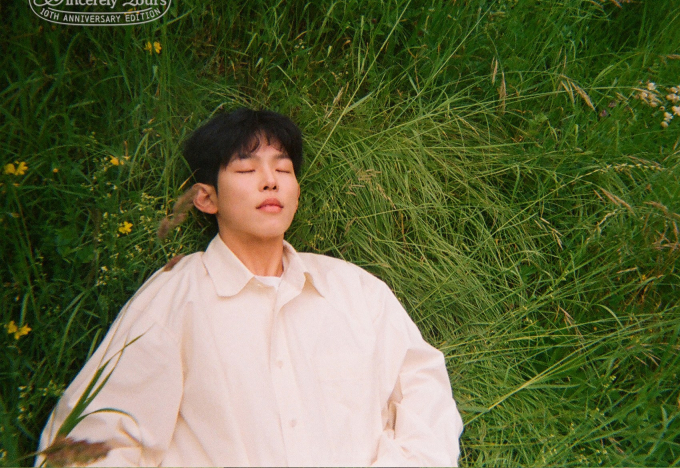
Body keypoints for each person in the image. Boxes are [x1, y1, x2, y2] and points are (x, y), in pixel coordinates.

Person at [37, 108, 463, 467]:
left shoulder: (356, 292)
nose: (270, 180)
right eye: (246, 169)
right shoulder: (177, 298)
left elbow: (425, 393)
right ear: (206, 198)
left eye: (283, 169)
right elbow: (92, 439)